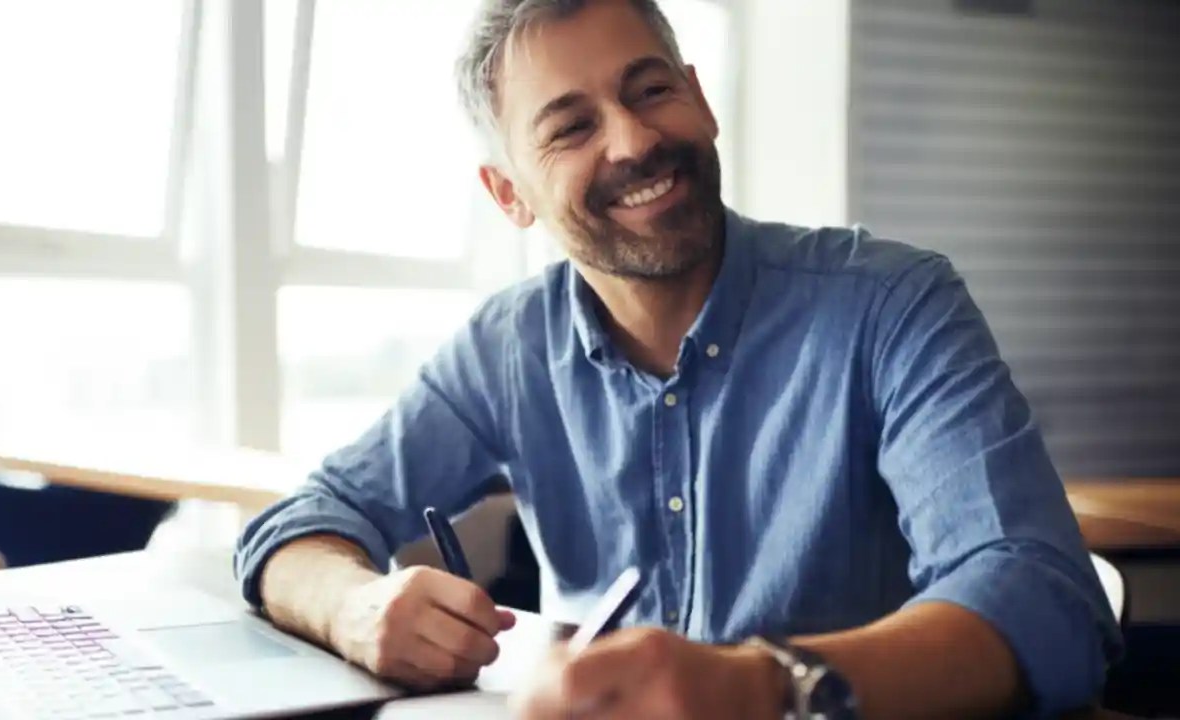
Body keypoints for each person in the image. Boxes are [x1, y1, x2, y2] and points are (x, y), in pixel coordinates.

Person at [235, 0, 1122, 717]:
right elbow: (304, 521)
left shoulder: (893, 305)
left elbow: (1047, 602)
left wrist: (762, 684)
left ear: (700, 100)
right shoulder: (507, 348)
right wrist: (356, 608)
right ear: (510, 194)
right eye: (571, 127)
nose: (632, 141)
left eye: (649, 90)